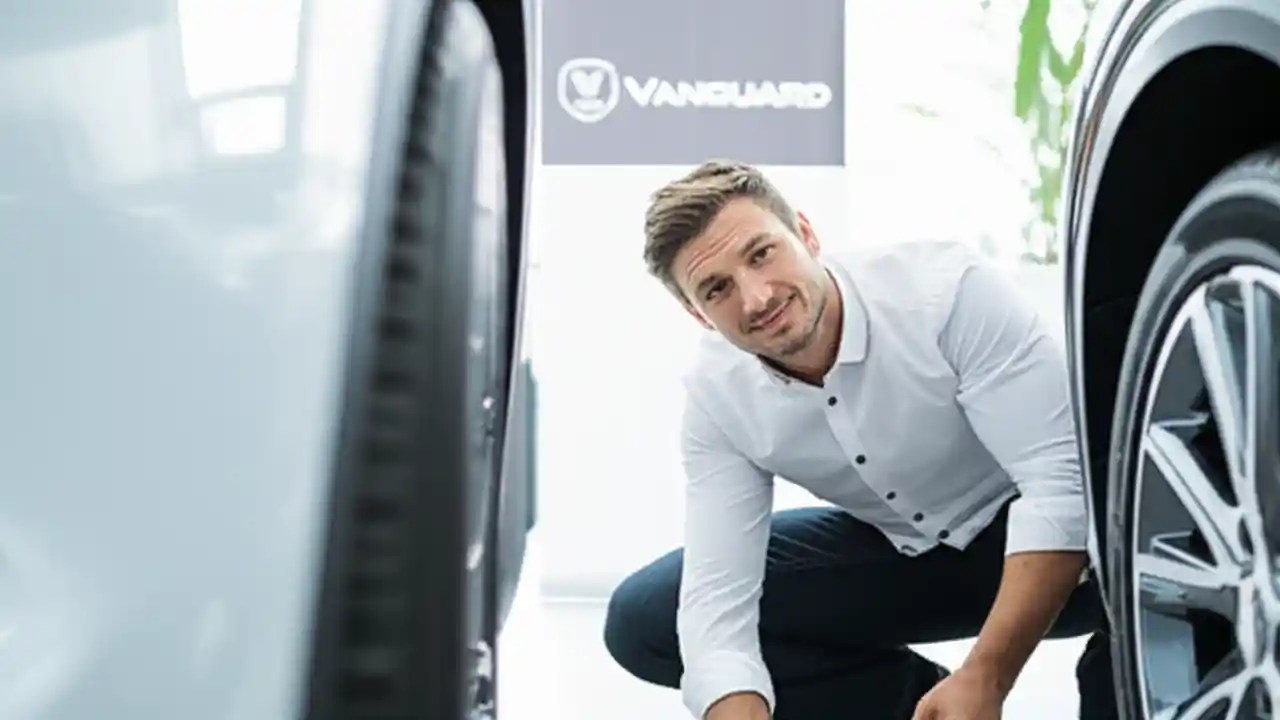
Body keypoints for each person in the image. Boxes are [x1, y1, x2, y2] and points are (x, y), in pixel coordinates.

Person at [601, 159, 1117, 720]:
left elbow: (1060, 486)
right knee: (645, 619)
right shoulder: (716, 397)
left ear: (805, 233)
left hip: (1085, 555)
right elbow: (716, 604)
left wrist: (987, 675)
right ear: (696, 313)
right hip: (910, 555)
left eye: (761, 253)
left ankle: (979, 695)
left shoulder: (945, 293)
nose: (756, 298)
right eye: (717, 288)